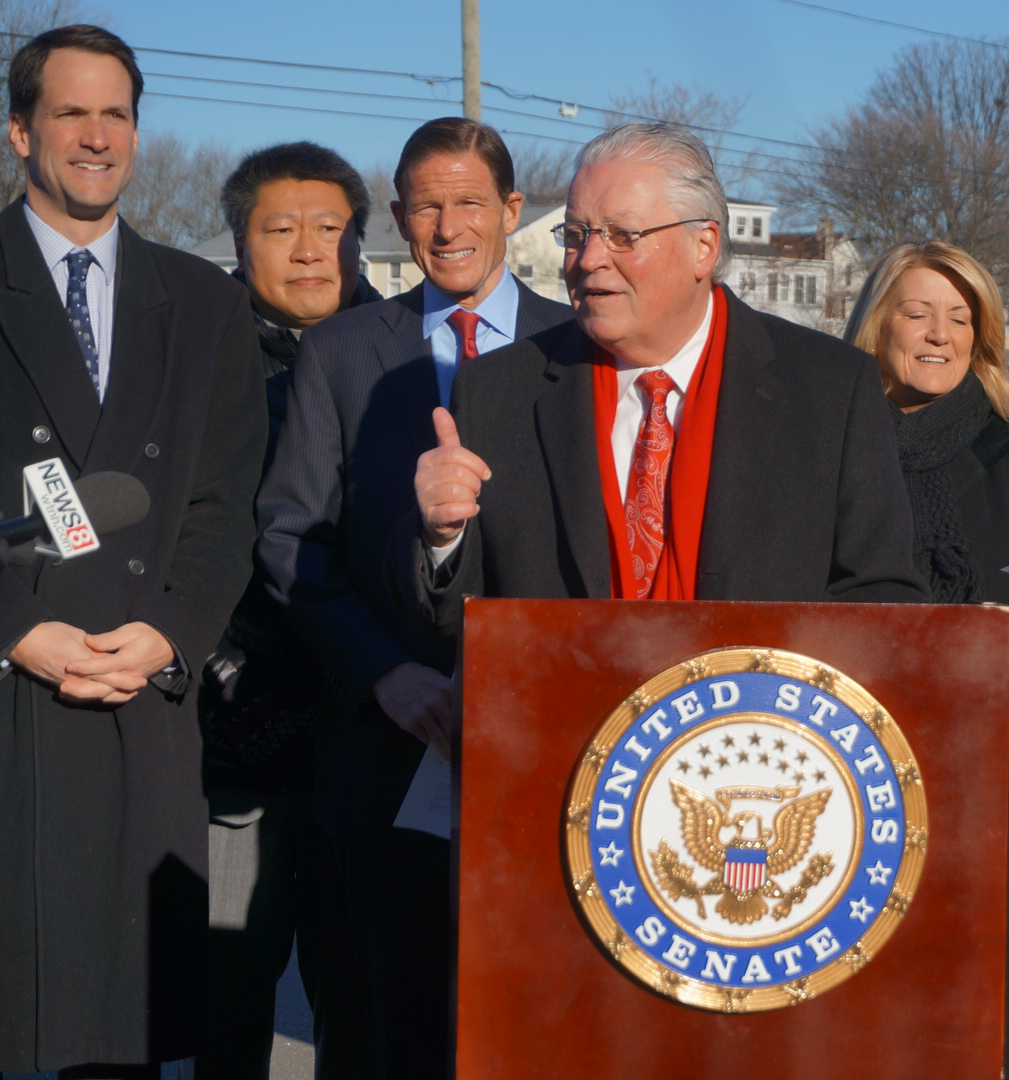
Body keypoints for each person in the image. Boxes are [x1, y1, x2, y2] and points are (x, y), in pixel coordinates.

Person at [255, 117, 570, 1079]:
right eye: (426, 207)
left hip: (551, 749)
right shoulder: (343, 351)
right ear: (397, 218)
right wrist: (382, 673)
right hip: (387, 754)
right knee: (382, 1034)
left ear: (512, 210)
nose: (448, 226)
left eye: (469, 202)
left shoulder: (580, 344)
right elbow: (291, 537)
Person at [0, 25, 266, 1077]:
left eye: (116, 114)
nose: (97, 136)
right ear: (20, 131)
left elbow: (226, 504)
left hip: (142, 703)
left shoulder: (204, 303)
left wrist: (169, 631)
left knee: (121, 1038)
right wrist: (16, 629)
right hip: (14, 699)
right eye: (71, 112)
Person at [397, 121, 924, 641]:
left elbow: (881, 597)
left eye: (623, 236)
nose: (589, 259)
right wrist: (443, 538)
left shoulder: (830, 388)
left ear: (704, 247)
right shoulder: (497, 392)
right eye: (577, 235)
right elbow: (455, 619)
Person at [843, 240, 1009, 1080]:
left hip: (990, 774)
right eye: (917, 313)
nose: (938, 335)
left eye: (960, 319)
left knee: (1001, 1012)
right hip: (847, 770)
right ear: (877, 322)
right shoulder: (827, 442)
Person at [199, 141, 383, 1080]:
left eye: (331, 229)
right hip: (234, 735)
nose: (310, 251)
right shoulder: (193, 358)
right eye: (281, 230)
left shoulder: (407, 353)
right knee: (227, 988)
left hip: (377, 733)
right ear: (241, 243)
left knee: (364, 998)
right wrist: (219, 669)